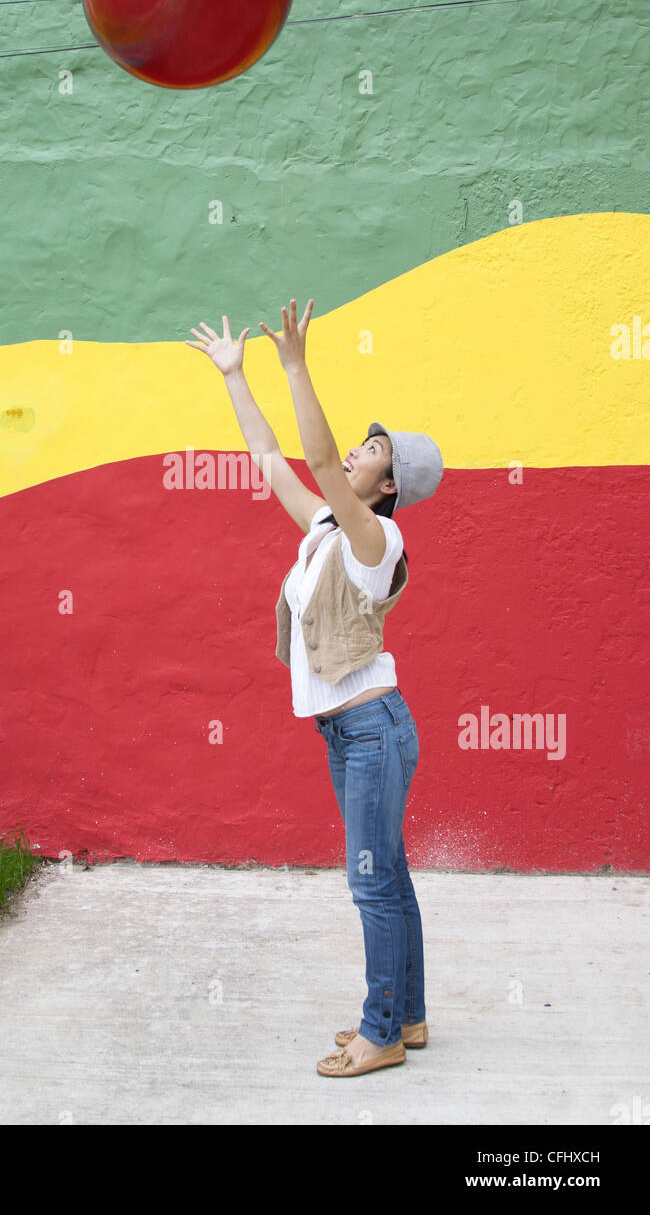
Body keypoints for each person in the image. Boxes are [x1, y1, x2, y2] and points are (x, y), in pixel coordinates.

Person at [186, 299, 444, 1078]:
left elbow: (322, 466)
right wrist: (237, 377)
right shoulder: (329, 530)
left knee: (370, 887)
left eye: (371, 451)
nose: (356, 455)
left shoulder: (376, 538)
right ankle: (410, 1016)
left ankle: (381, 1034)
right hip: (353, 731)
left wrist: (298, 366)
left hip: (371, 731)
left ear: (389, 482)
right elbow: (272, 462)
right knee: (389, 875)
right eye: (362, 445)